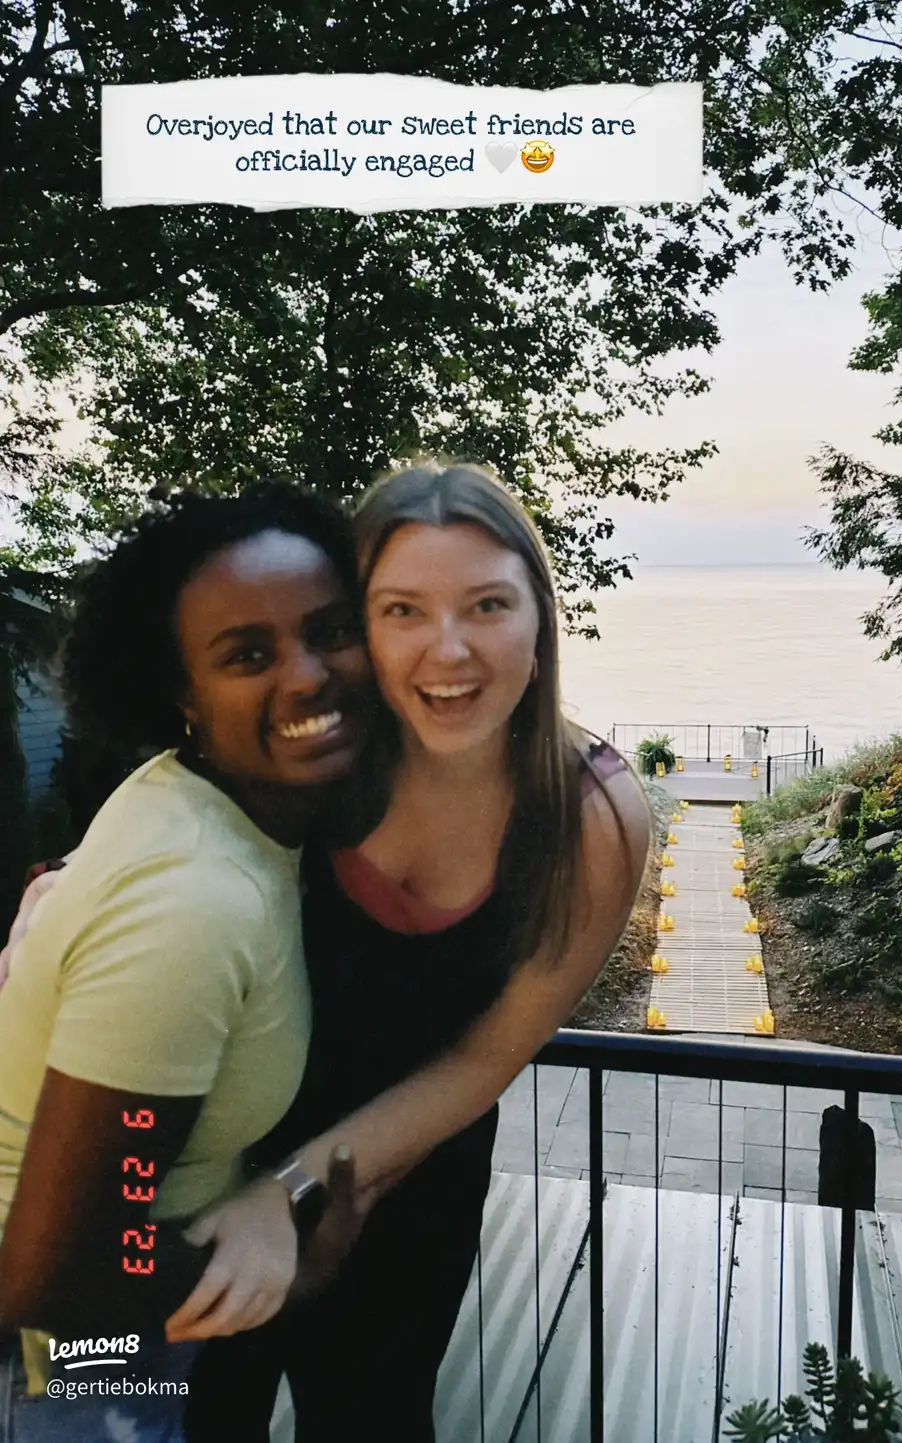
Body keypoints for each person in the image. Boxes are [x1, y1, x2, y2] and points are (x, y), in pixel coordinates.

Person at [4, 462, 652, 1443]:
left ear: (541, 619)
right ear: (368, 624)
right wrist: (68, 890)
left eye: (488, 605)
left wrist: (294, 1193)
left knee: (375, 1417)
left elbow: (487, 1056)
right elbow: (186, 826)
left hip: (399, 1183)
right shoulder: (328, 747)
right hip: (207, 1169)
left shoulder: (587, 814)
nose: (450, 650)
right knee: (195, 1411)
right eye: (401, 609)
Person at [0, 483, 375, 1442]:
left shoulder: (200, 801)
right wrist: (296, 1264)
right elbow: (58, 1273)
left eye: (332, 630)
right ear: (182, 695)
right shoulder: (200, 901)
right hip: (60, 1365)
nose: (305, 675)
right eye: (247, 654)